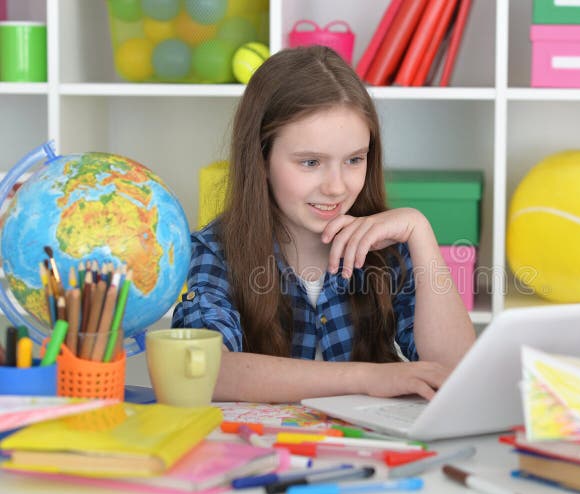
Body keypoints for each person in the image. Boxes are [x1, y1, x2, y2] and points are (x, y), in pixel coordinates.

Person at [173, 46, 475, 403]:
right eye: (311, 163)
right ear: (261, 159)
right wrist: (366, 377)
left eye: (354, 160)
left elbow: (456, 373)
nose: (336, 187)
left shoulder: (387, 247)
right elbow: (206, 371)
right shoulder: (213, 252)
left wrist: (420, 232)